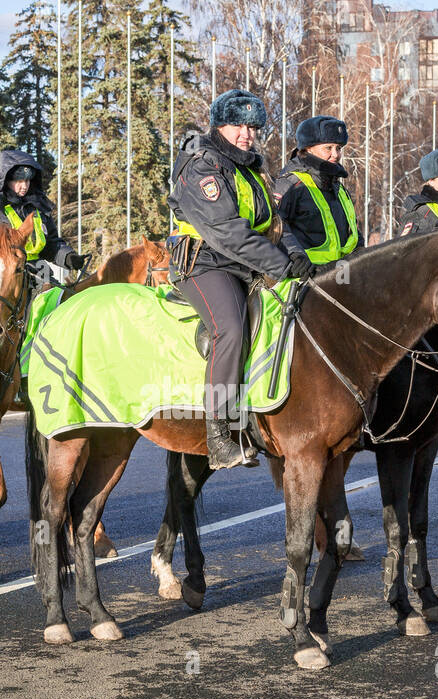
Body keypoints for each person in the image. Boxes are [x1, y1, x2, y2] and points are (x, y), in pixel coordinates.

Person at [169, 89, 315, 470]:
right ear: (219, 125)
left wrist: (297, 255)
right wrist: (280, 265)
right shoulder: (202, 165)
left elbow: (275, 223)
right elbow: (227, 232)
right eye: (238, 125)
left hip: (245, 263)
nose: (246, 134)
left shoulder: (252, 168)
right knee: (230, 328)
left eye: (253, 127)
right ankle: (219, 434)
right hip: (203, 262)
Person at [0, 149, 86, 290]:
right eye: (19, 181)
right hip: (7, 283)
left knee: (67, 302)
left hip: (42, 275)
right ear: (5, 181)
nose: (24, 186)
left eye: (27, 180)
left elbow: (51, 245)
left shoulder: (36, 207)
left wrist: (68, 257)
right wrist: (10, 267)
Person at [272, 115, 362, 268]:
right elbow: (275, 227)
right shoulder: (290, 184)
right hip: (305, 278)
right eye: (328, 148)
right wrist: (295, 255)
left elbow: (353, 234)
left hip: (341, 276)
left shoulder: (340, 190)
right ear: (307, 149)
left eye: (338, 148)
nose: (335, 155)